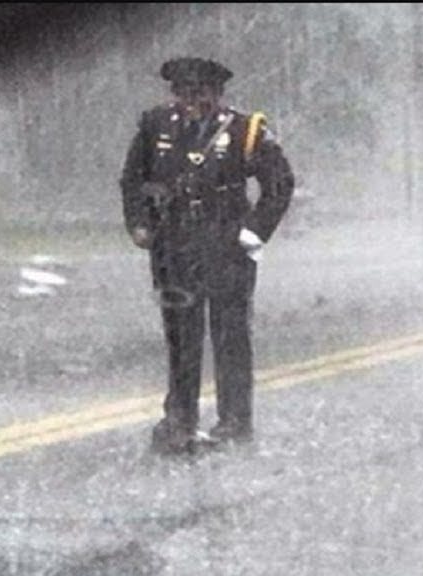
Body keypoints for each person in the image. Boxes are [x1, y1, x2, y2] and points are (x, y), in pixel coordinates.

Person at [119, 57, 294, 453]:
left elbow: (280, 183)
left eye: (200, 93)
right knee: (181, 336)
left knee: (230, 336)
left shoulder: (245, 129)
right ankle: (179, 419)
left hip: (226, 244)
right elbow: (133, 179)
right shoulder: (154, 126)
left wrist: (252, 232)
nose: (191, 100)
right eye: (184, 92)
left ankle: (234, 420)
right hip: (173, 246)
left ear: (217, 94)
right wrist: (139, 223)